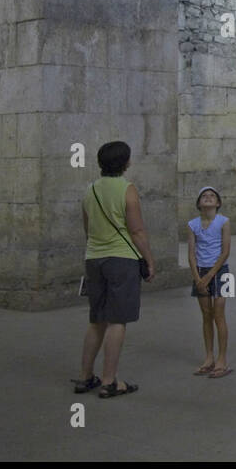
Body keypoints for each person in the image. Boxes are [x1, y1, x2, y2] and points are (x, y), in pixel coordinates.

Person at [72, 140, 155, 398]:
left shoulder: (90, 190)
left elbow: (88, 229)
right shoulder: (127, 189)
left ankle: (86, 377)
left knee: (97, 319)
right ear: (126, 163)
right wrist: (149, 260)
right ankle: (109, 381)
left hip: (94, 259)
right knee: (117, 320)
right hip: (121, 259)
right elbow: (137, 230)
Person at [187, 186, 232, 378]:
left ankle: (222, 359)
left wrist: (208, 276)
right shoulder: (192, 224)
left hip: (222, 272)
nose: (208, 198)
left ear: (218, 203)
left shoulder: (224, 222)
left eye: (212, 196)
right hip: (200, 272)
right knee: (206, 315)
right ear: (199, 203)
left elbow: (225, 252)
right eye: (204, 196)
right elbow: (191, 254)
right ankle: (209, 357)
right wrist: (198, 278)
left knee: (219, 314)